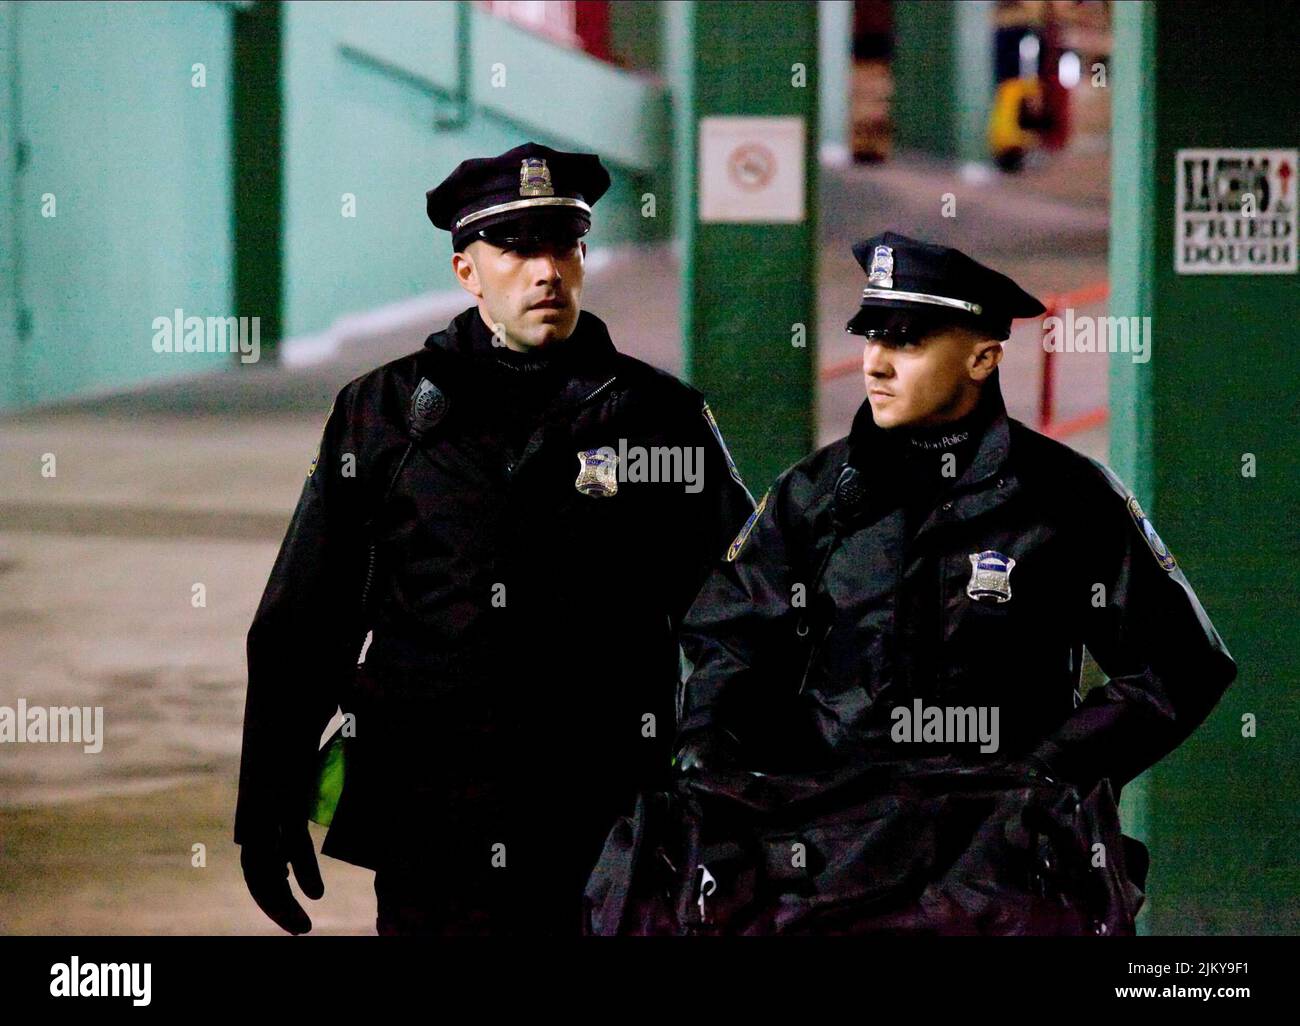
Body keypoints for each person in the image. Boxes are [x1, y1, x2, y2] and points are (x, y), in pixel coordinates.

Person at [234, 141, 756, 936]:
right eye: (517, 249)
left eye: (564, 245)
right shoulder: (382, 415)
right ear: (467, 273)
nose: (547, 270)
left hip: (606, 824)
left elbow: (740, 616)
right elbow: (305, 618)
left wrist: (732, 792)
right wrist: (267, 797)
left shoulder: (657, 419)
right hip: (431, 819)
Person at [670, 231, 1237, 934]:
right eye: (870, 335)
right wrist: (714, 761)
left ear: (982, 355)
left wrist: (1051, 772)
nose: (874, 363)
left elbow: (1180, 663)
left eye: (905, 340)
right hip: (835, 865)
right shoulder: (812, 497)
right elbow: (731, 641)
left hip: (1003, 865)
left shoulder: (1067, 498)